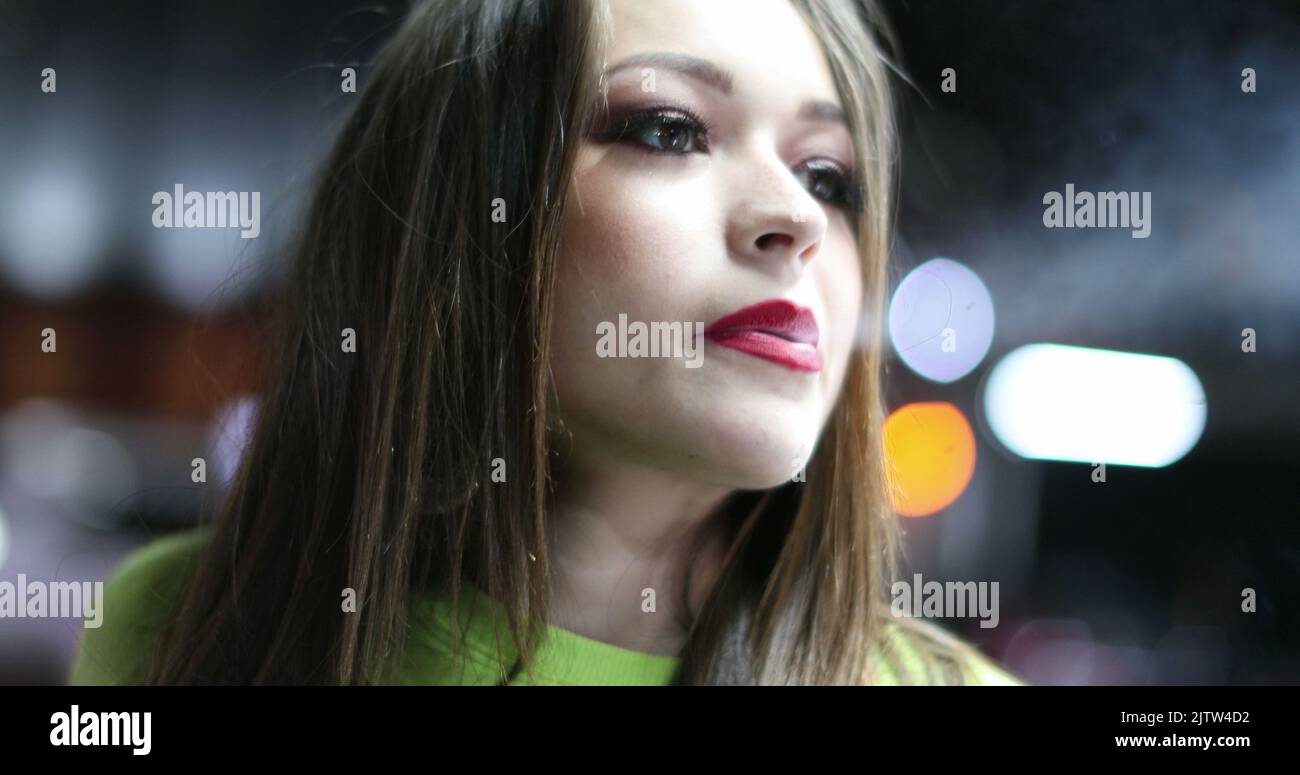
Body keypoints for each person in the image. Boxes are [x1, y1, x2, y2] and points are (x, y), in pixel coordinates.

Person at [69, 0, 1023, 686]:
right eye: (669, 129)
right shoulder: (180, 620)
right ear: (467, 213)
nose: (795, 219)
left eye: (830, 177)